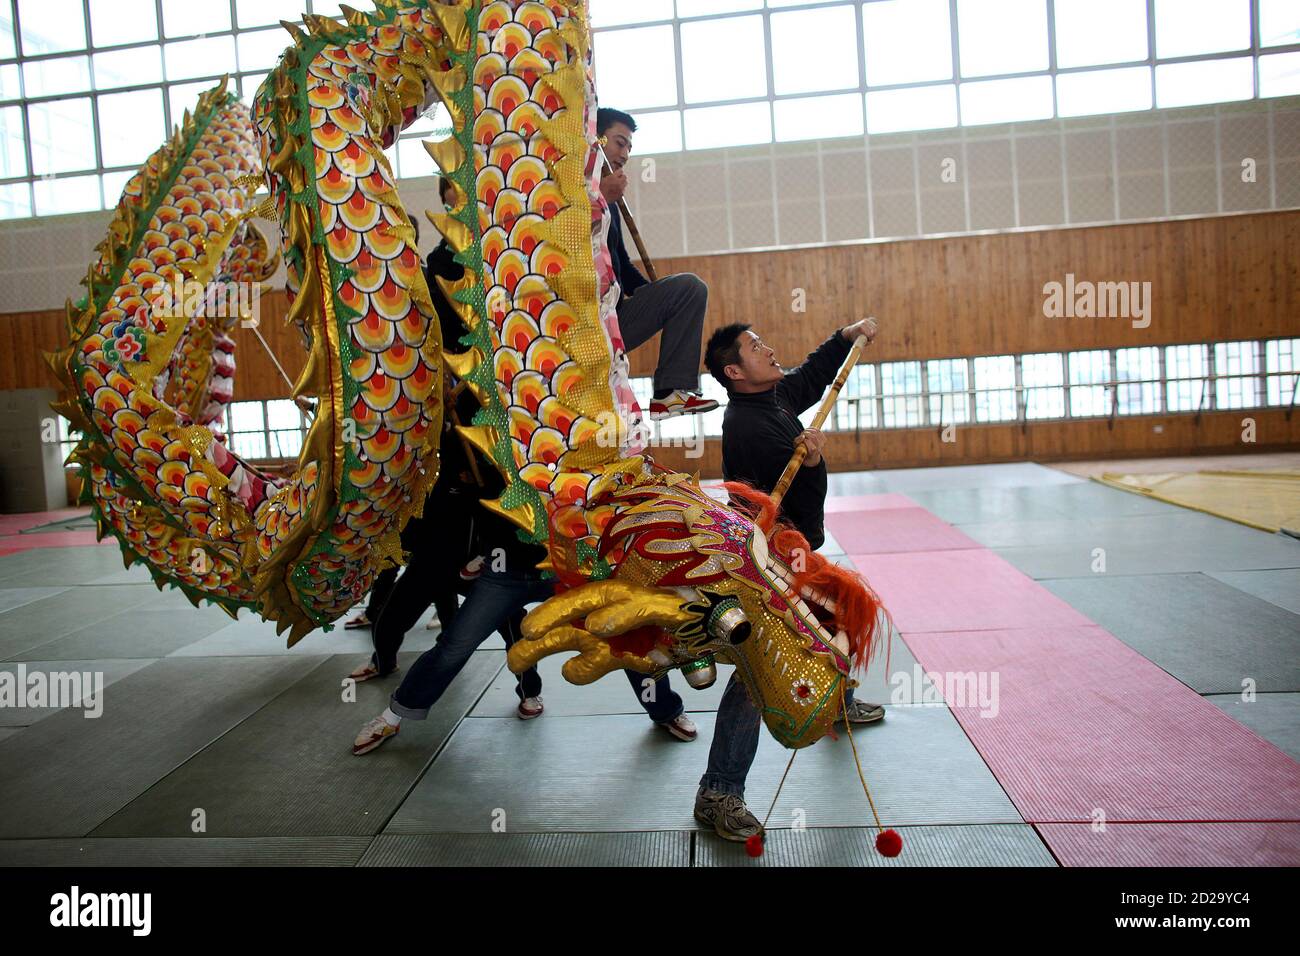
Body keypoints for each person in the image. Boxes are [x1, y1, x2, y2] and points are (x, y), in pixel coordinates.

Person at [688, 318, 887, 842]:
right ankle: (719, 791)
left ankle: (836, 701)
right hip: (766, 560)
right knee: (759, 670)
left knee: (839, 607)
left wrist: (845, 336)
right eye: (756, 347)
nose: (769, 349)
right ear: (734, 372)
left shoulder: (772, 400)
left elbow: (812, 375)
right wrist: (816, 464)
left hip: (790, 552)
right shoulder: (751, 426)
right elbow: (802, 508)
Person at [597, 107, 717, 421]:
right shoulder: (570, 189)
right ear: (595, 139)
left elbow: (620, 263)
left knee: (688, 289)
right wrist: (598, 197)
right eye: (620, 143)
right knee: (686, 288)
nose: (625, 154)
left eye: (630, 149)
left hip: (615, 314)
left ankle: (670, 394)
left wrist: (662, 298)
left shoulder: (610, 200)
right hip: (582, 321)